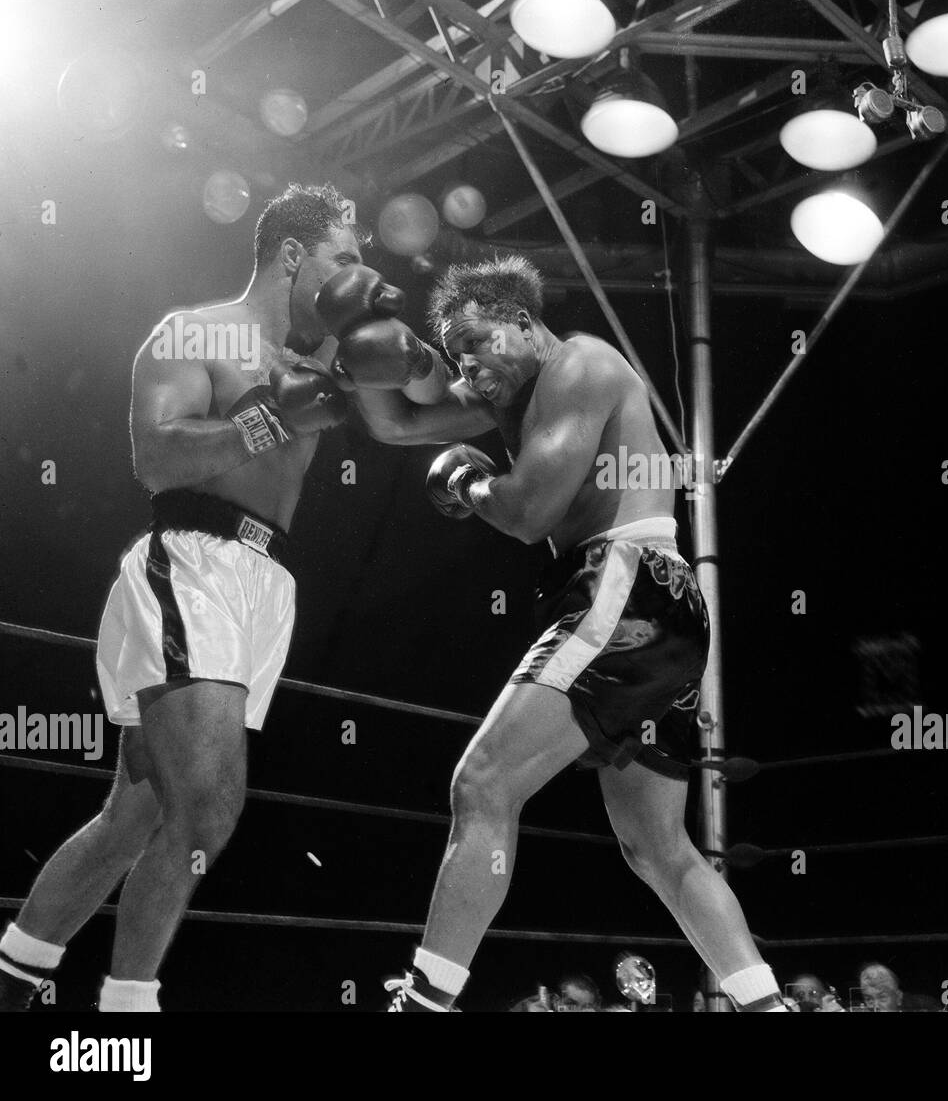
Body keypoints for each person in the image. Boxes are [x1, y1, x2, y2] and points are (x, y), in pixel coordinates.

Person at [345, 254, 786, 1014]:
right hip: (654, 608)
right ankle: (768, 1007)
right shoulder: (511, 395)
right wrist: (378, 352)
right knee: (658, 848)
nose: (469, 364)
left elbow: (524, 512)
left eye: (476, 342)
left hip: (625, 585)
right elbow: (398, 420)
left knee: (482, 784)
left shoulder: (580, 366)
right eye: (455, 353)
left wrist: (463, 479)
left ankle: (423, 1001)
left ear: (521, 319)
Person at [0, 184, 363, 1012]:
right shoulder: (196, 331)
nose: (355, 278)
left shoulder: (322, 361)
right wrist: (267, 421)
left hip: (266, 587)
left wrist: (414, 359)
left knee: (131, 820)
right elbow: (158, 458)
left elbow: (406, 413)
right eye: (345, 258)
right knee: (206, 808)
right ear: (294, 256)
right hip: (190, 564)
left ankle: (13, 975)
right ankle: (128, 1017)